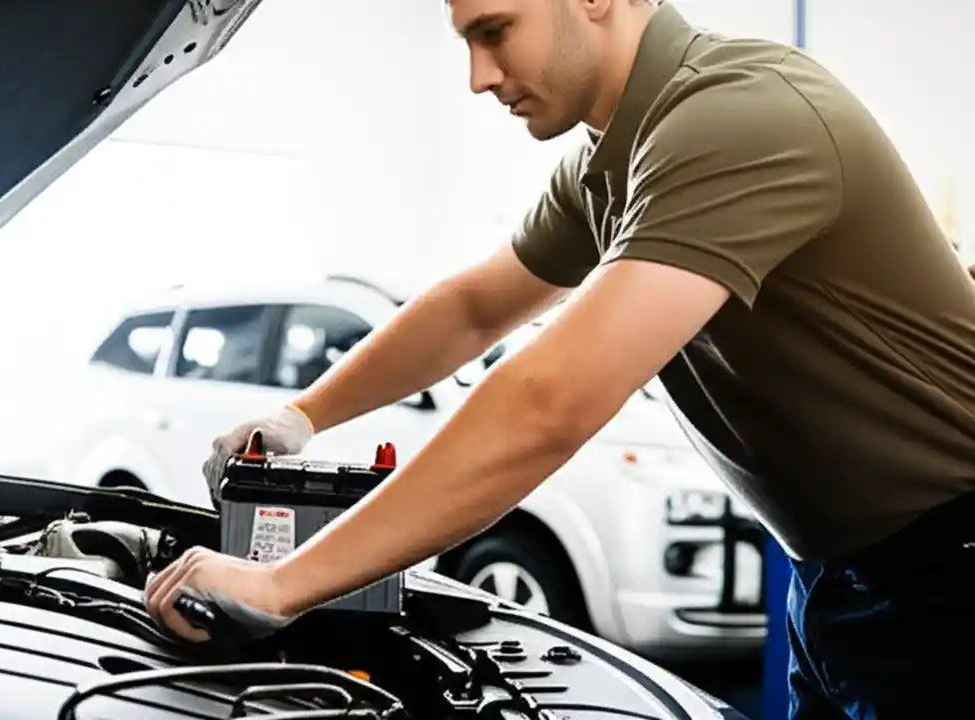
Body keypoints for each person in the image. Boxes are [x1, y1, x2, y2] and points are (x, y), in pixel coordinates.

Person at [145, 1, 975, 717]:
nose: (477, 75)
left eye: (496, 31)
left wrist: (283, 584)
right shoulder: (610, 166)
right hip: (835, 577)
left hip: (951, 570)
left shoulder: (744, 114)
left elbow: (549, 402)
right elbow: (472, 308)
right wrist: (301, 415)